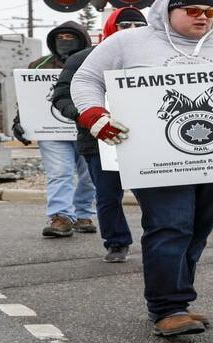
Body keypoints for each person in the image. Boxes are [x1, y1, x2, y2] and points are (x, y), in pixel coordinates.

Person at [72, 0, 213, 336]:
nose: (202, 17)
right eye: (193, 10)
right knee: (171, 224)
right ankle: (167, 308)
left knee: (198, 228)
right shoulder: (127, 43)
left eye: (209, 11)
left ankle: (179, 297)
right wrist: (95, 116)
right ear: (168, 10)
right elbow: (86, 80)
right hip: (155, 158)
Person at [52, 8, 150, 261]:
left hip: (146, 141)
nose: (131, 30)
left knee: (154, 197)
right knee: (108, 196)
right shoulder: (84, 58)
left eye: (138, 24)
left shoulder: (155, 57)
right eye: (124, 24)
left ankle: (160, 240)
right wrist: (88, 118)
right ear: (110, 27)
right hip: (98, 140)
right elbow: (62, 97)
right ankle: (116, 243)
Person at [12, 22, 99, 238]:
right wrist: (20, 121)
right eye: (60, 36)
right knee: (59, 173)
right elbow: (27, 98)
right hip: (51, 131)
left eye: (71, 36)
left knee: (89, 175)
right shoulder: (38, 65)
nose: (65, 40)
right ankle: (60, 216)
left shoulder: (96, 60)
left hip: (87, 129)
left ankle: (83, 213)